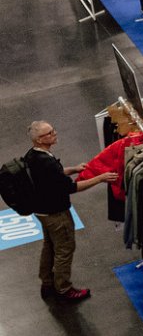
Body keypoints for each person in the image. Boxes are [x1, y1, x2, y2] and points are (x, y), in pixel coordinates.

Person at [17, 120, 111, 303]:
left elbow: (54, 178)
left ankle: (47, 282)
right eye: (50, 133)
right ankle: (64, 288)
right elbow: (71, 188)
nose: (55, 134)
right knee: (65, 249)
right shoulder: (47, 162)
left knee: (49, 245)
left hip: (42, 211)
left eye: (53, 130)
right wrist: (100, 178)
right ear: (38, 139)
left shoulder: (32, 155)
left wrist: (74, 169)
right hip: (56, 214)